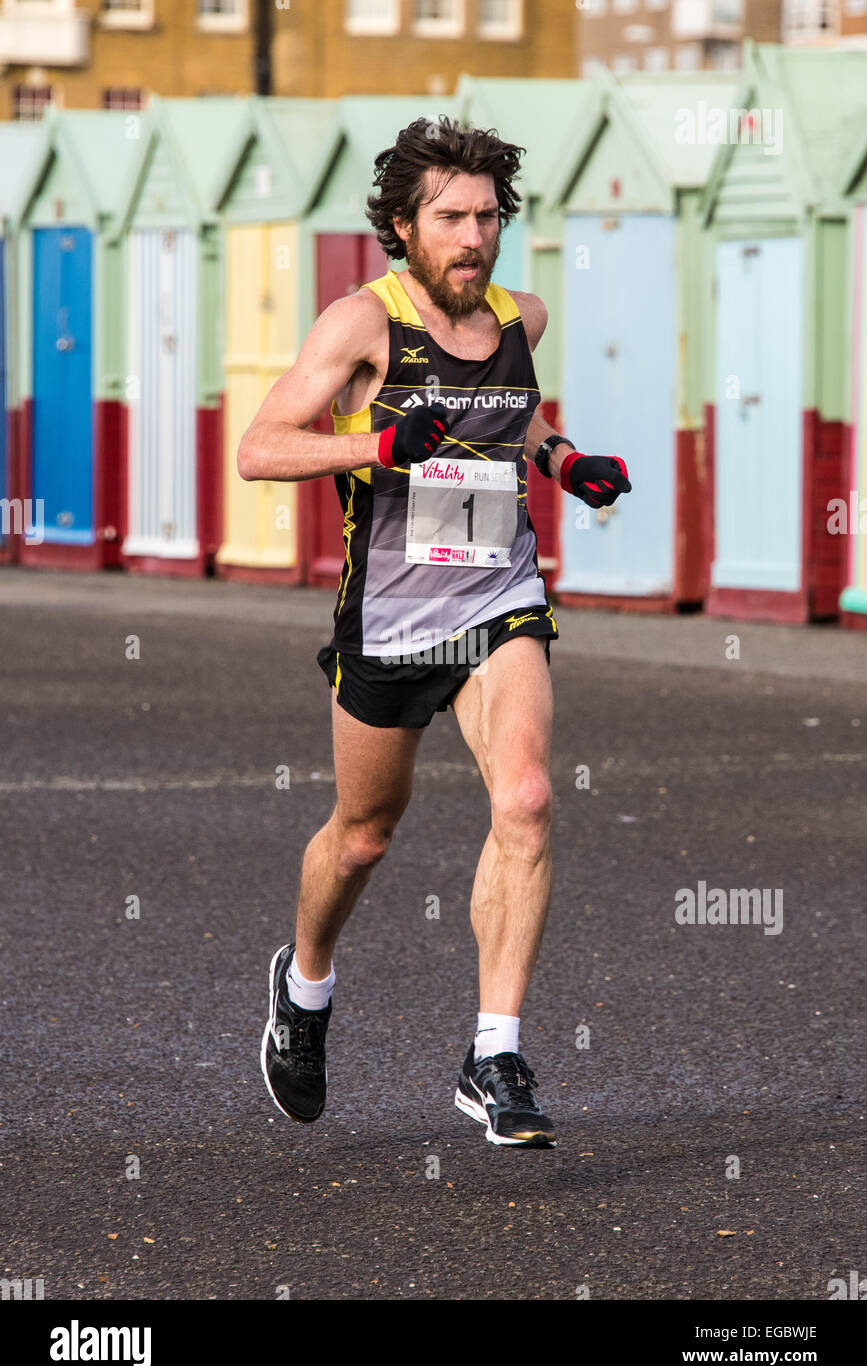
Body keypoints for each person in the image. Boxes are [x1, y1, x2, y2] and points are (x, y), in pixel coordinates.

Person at [238, 115, 630, 1147]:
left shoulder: (520, 319)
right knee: (364, 834)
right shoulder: (360, 325)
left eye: (488, 216)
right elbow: (262, 448)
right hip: (390, 616)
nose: (474, 237)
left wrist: (563, 461)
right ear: (404, 227)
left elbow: (514, 417)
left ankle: (493, 1052)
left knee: (530, 798)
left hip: (498, 599)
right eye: (451, 218)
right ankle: (306, 987)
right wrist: (374, 443)